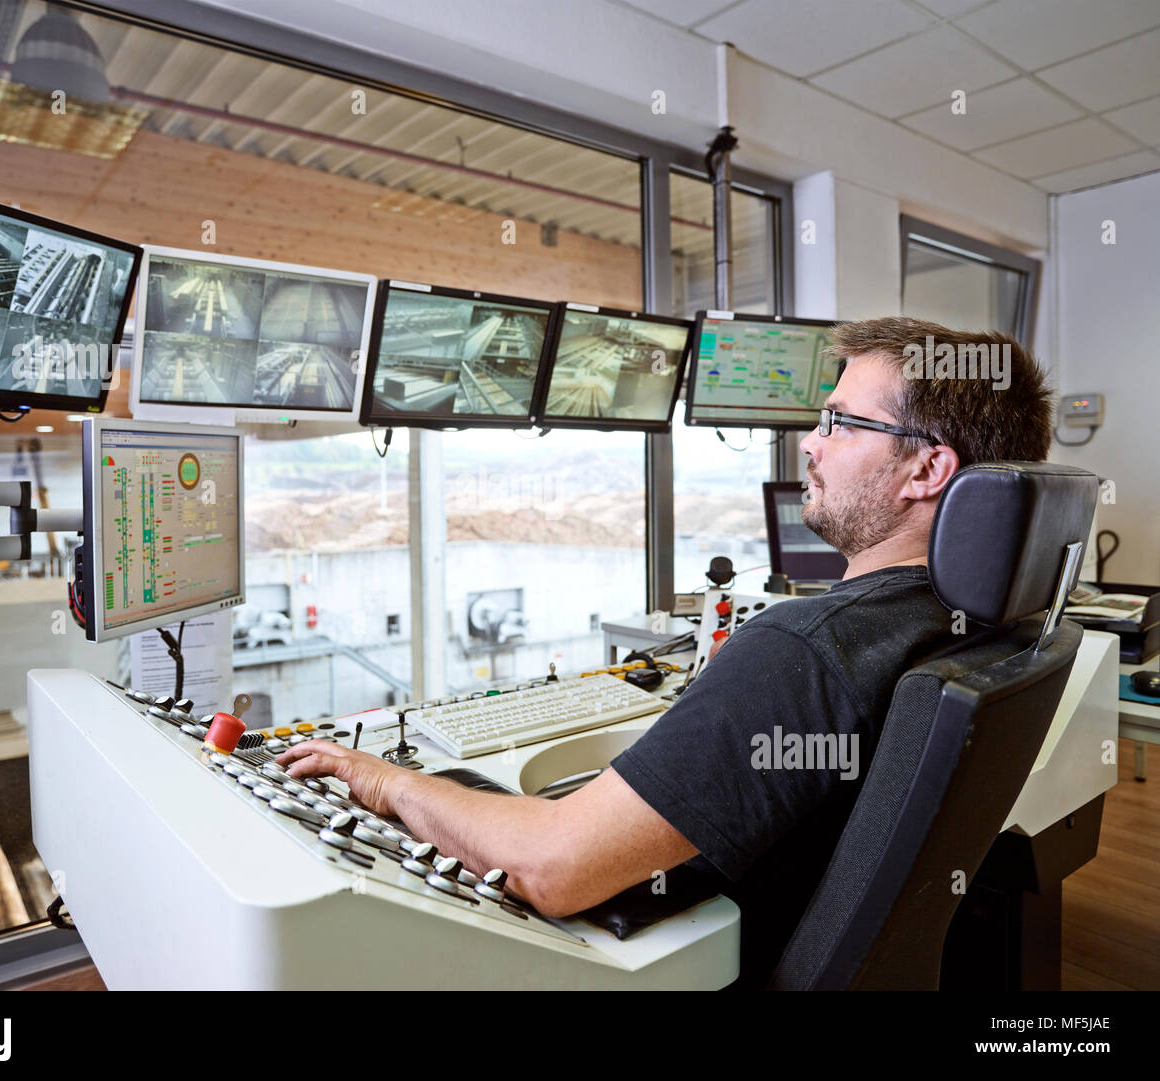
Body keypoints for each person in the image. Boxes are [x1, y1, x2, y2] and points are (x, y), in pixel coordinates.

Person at [277, 316, 1056, 988]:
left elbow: (551, 866)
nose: (808, 443)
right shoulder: (978, 621)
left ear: (927, 468)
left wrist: (384, 780)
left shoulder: (803, 649)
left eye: (839, 422)